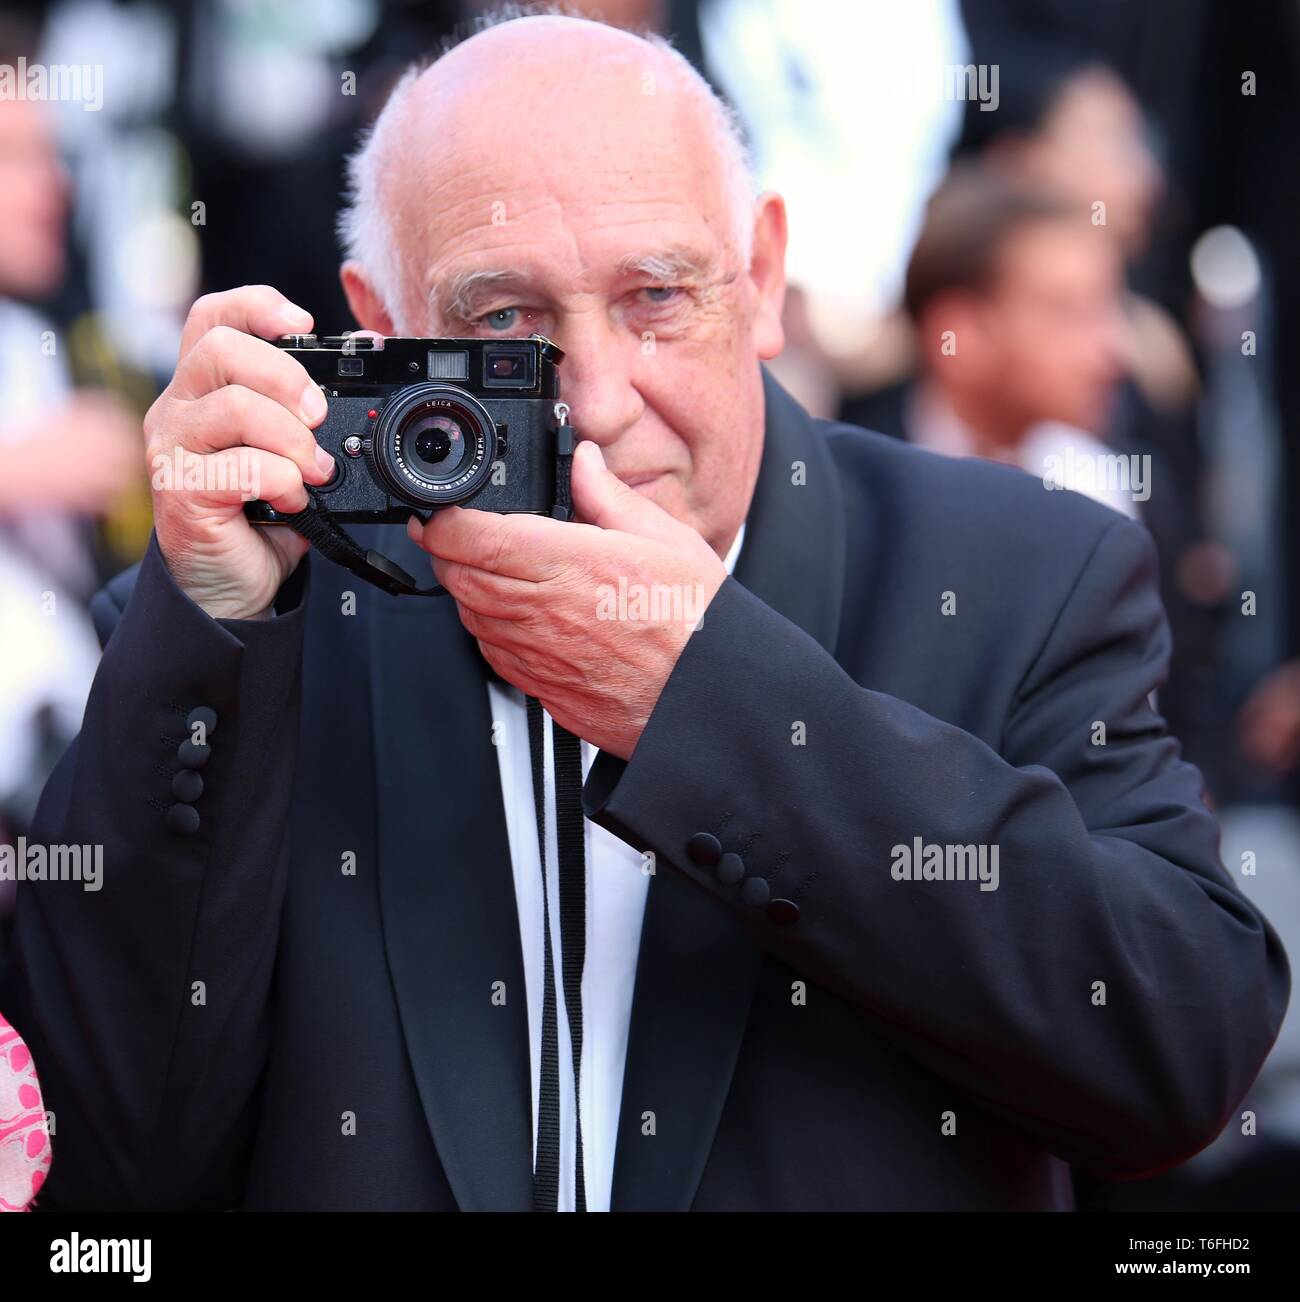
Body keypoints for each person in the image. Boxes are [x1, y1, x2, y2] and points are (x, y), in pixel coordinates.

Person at [8, 10, 1290, 1212]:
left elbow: (1179, 1047)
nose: (602, 397)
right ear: (381, 328)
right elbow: (104, 1156)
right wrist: (209, 636)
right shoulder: (258, 619)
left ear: (765, 276)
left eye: (657, 297)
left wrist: (713, 704)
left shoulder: (1019, 571)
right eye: (504, 320)